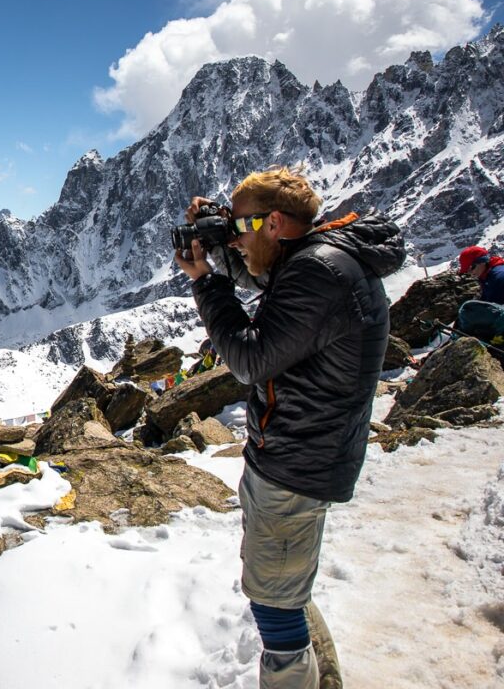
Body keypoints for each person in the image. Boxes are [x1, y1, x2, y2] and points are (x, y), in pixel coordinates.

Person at [173, 166, 405, 689]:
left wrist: (206, 281)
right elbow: (260, 275)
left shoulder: (318, 272)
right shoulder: (316, 258)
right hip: (296, 452)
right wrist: (225, 241)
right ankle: (323, 676)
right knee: (280, 587)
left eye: (243, 226)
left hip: (296, 464)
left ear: (274, 223)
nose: (238, 238)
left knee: (275, 601)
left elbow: (249, 359)